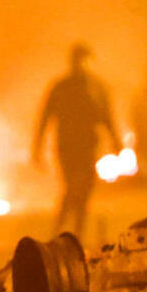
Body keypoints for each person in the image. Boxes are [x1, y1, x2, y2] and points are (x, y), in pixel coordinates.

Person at [32, 42, 117, 240]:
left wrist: (116, 141)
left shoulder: (97, 87)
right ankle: (60, 229)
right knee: (72, 187)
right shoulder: (61, 87)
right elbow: (45, 118)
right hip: (67, 147)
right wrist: (37, 148)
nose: (82, 64)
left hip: (89, 146)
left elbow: (107, 116)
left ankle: (76, 232)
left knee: (84, 191)